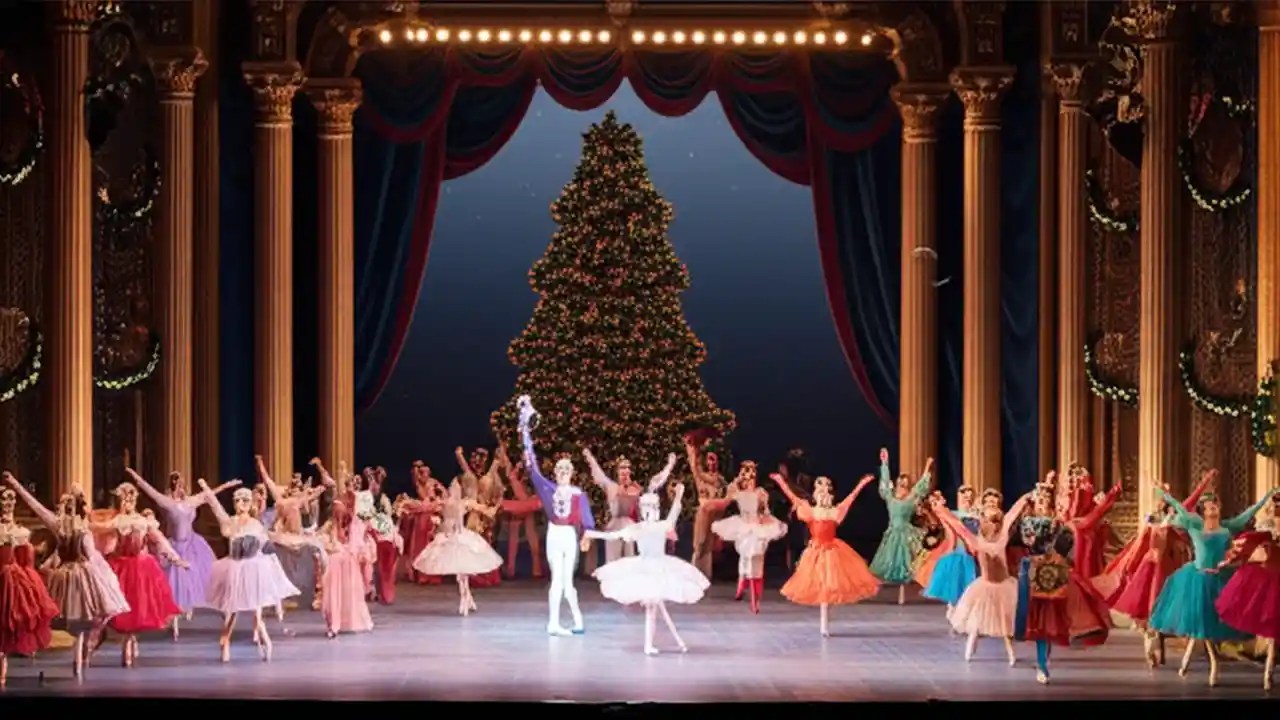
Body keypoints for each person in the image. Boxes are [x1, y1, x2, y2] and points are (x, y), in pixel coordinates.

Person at [1147, 482, 1270, 687]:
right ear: (1204, 510)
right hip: (1197, 579)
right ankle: (1213, 663)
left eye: (1216, 505)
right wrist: (1165, 496)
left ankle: (1189, 661)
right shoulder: (1194, 523)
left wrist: (1266, 497)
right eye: (1210, 506)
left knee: (1210, 624)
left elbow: (1250, 513)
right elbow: (1179, 508)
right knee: (1201, 623)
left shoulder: (1227, 527)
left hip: (1221, 578)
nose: (1214, 508)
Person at [584, 482, 708, 655]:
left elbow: (674, 514)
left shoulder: (661, 526)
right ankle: (652, 645)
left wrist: (679, 495)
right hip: (645, 569)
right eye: (647, 507)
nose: (651, 510)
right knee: (653, 608)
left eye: (654, 507)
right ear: (642, 510)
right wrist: (591, 534)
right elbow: (614, 535)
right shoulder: (637, 528)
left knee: (656, 607)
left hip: (660, 567)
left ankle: (658, 644)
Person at [518, 395, 596, 636]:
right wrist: (524, 429)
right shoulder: (547, 488)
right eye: (559, 468)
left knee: (568, 581)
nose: (562, 471)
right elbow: (531, 463)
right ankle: (555, 622)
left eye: (566, 469)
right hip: (555, 533)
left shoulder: (577, 493)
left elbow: (586, 519)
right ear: (555, 471)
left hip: (569, 535)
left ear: (572, 472)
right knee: (558, 580)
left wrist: (587, 535)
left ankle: (577, 621)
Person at [199, 481, 299, 663]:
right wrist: (206, 488)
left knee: (255, 610)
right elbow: (216, 507)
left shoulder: (255, 524)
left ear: (249, 503)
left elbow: (267, 542)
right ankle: (226, 640)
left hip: (252, 567)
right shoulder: (230, 523)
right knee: (233, 609)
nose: (241, 504)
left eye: (245, 501)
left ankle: (265, 639)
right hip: (235, 567)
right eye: (238, 501)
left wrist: (290, 542)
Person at [773, 472, 880, 637]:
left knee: (830, 587)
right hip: (816, 551)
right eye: (820, 489)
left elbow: (851, 497)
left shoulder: (835, 511)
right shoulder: (811, 511)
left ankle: (826, 619)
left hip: (832, 550)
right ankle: (824, 623)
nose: (823, 493)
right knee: (822, 585)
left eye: (826, 490)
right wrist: (781, 482)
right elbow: (792, 497)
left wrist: (862, 483)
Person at [932, 492, 1032, 665]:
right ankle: (971, 647)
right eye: (989, 521)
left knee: (1004, 623)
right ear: (983, 522)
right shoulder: (976, 540)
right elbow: (958, 526)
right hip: (985, 586)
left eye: (996, 521)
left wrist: (1024, 498)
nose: (993, 525)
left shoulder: (1002, 537)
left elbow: (1012, 515)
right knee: (977, 620)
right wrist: (942, 510)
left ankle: (1010, 653)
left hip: (1004, 585)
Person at [412, 481, 504, 616]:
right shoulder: (444, 502)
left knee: (462, 572)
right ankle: (466, 598)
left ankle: (465, 598)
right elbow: (425, 507)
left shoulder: (462, 503)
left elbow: (485, 510)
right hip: (449, 537)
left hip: (459, 536)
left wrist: (497, 504)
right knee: (460, 572)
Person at [706, 461, 787, 613]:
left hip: (757, 528)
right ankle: (742, 585)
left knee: (756, 560)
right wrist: (738, 478)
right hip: (743, 526)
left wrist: (765, 519)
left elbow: (765, 511)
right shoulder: (738, 492)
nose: (750, 477)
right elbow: (727, 497)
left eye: (751, 473)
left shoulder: (761, 493)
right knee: (745, 558)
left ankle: (754, 599)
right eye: (746, 473)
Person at [0, 477, 59, 685]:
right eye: (4, 504)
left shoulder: (20, 532)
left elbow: (27, 561)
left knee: (11, 620)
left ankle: (3, 669)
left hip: (13, 581)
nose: (7, 507)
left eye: (9, 504)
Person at [870, 448, 933, 604]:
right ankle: (896, 591)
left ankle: (904, 591)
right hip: (892, 533)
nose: (902, 487)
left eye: (905, 485)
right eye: (900, 484)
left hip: (906, 533)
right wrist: (884, 463)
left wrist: (927, 468)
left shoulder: (911, 500)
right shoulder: (890, 498)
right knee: (890, 561)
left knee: (907, 562)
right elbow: (884, 483)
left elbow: (921, 487)